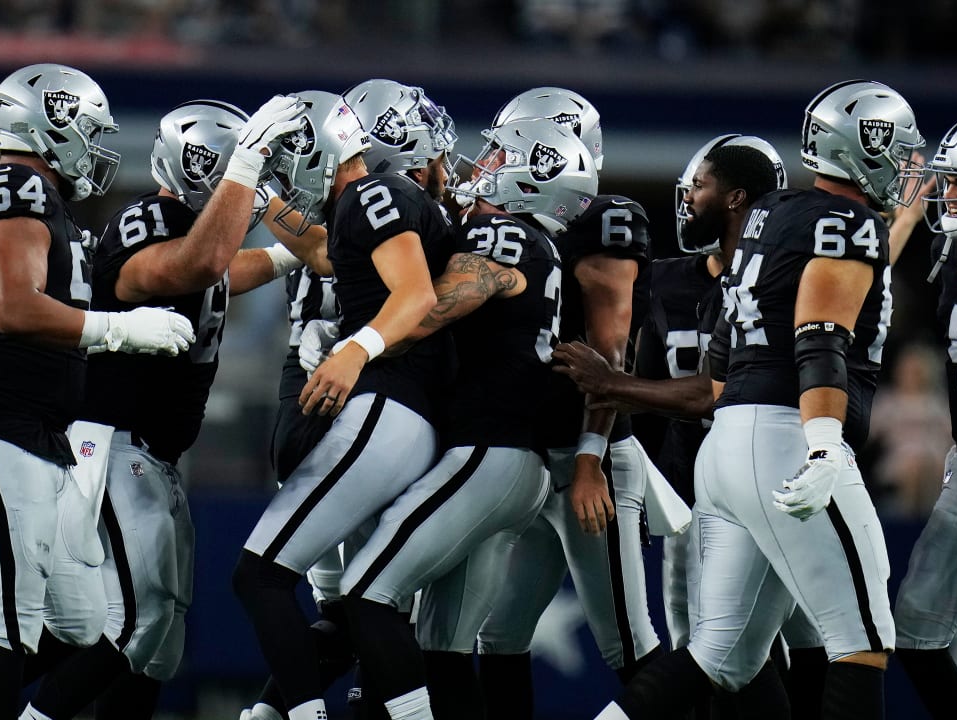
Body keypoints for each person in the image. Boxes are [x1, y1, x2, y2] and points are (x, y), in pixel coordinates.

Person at [596, 78, 923, 720]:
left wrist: (904, 218)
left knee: (716, 655)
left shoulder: (774, 217)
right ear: (867, 142)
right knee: (863, 641)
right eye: (896, 145)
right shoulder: (842, 222)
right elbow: (820, 332)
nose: (905, 162)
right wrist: (824, 446)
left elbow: (721, 368)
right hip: (791, 440)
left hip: (728, 444)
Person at [0, 63, 194, 720]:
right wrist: (119, 330)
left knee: (86, 629)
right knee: (0, 651)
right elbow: (13, 307)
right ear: (52, 123)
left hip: (31, 434)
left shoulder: (37, 194)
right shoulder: (15, 187)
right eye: (87, 128)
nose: (96, 144)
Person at [15, 95, 310, 720]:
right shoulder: (148, 220)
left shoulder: (195, 238)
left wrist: (289, 255)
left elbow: (221, 269)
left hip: (149, 453)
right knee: (135, 623)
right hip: (111, 446)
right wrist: (250, 163)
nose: (259, 182)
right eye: (244, 165)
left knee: (158, 647)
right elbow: (198, 263)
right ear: (208, 164)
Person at [557, 138, 829, 717]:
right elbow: (658, 381)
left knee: (778, 650)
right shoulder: (670, 283)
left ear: (736, 200)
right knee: (724, 656)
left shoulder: (785, 280)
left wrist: (612, 385)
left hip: (781, 479)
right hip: (702, 490)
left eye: (699, 187)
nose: (685, 200)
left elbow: (713, 392)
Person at [337, 117, 595, 720]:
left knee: (366, 595)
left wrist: (360, 342)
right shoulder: (531, 242)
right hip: (509, 463)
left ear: (536, 176)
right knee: (443, 649)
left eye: (504, 154)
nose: (485, 162)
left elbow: (436, 305)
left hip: (484, 455)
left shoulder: (502, 235)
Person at [231, 88, 454, 720]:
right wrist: (256, 192)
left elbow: (414, 297)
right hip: (405, 414)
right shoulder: (364, 202)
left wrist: (354, 348)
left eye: (285, 162)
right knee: (358, 607)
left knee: (261, 577)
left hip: (388, 406)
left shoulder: (372, 194)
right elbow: (323, 251)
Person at [471, 87, 662, 718]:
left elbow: (609, 356)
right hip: (529, 460)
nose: (495, 162)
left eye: (512, 148)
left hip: (587, 459)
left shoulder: (602, 224)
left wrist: (588, 458)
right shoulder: (505, 222)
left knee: (630, 647)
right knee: (498, 637)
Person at [892, 117, 957, 719]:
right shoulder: (954, 249)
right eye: (951, 183)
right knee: (916, 627)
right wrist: (906, 221)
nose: (954, 195)